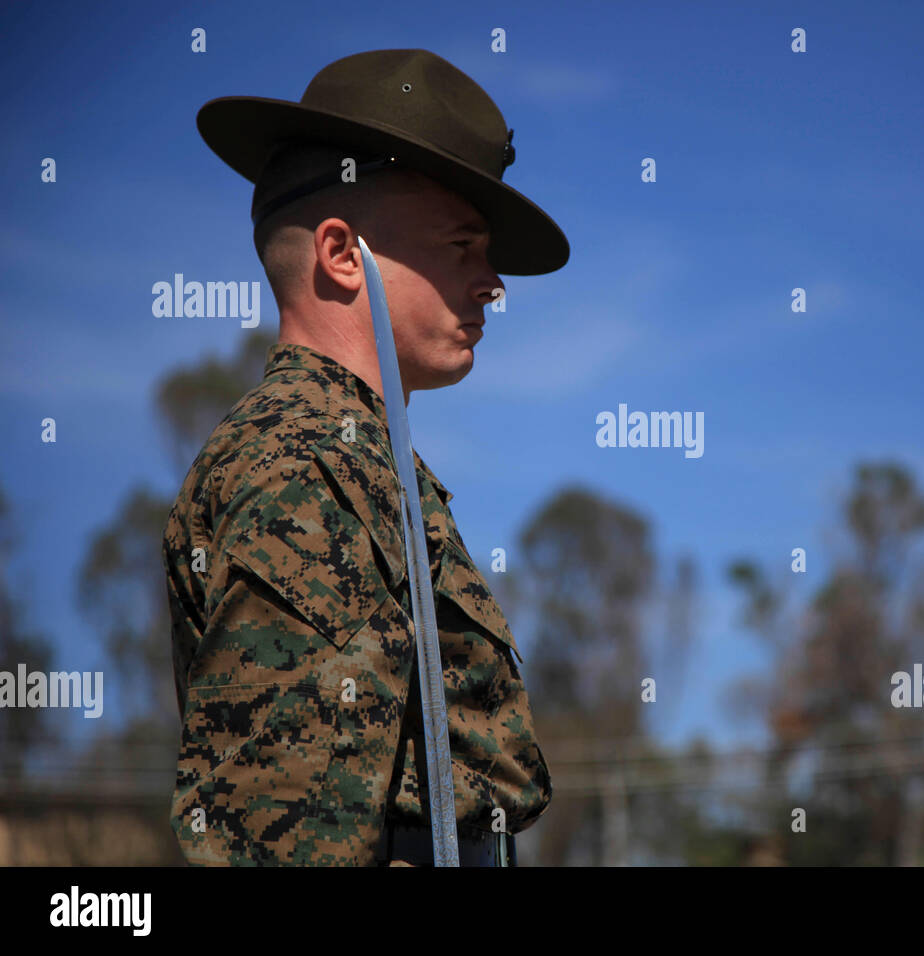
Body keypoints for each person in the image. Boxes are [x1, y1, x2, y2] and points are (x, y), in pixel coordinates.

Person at [163, 49, 569, 866]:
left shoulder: (364, 463)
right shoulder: (306, 470)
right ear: (343, 254)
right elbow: (286, 839)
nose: (493, 282)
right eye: (463, 245)